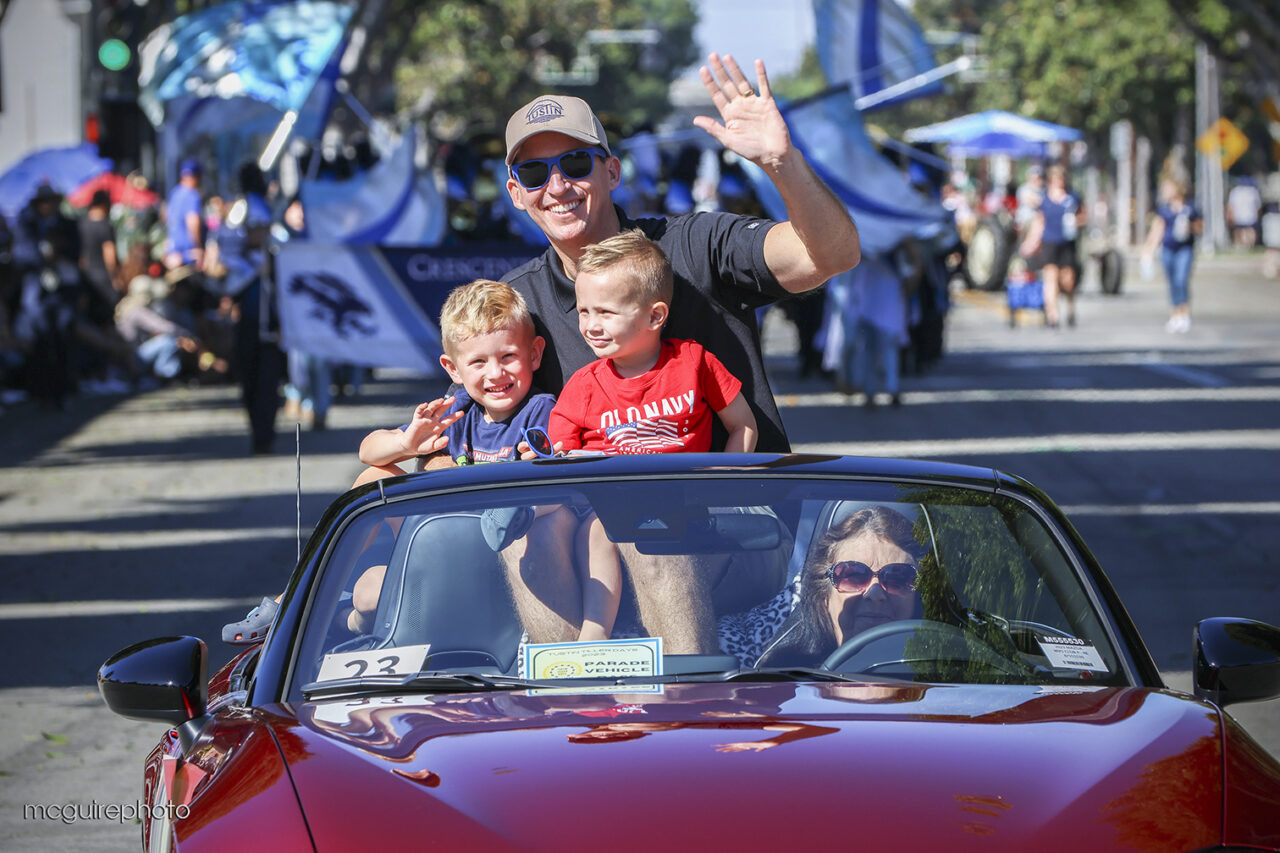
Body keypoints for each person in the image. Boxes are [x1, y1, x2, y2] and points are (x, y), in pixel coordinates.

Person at [494, 54, 857, 654]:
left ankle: (685, 735)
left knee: (647, 529)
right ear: (516, 194)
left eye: (575, 163)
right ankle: (565, 714)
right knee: (520, 531)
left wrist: (780, 163)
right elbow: (474, 421)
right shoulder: (518, 301)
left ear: (611, 171)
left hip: (739, 528)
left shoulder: (693, 247)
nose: (556, 186)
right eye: (534, 173)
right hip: (592, 545)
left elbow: (832, 256)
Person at [223, 279, 558, 642]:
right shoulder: (455, 410)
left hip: (502, 561)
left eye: (508, 356)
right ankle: (296, 601)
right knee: (373, 517)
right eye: (478, 362)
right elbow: (367, 450)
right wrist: (407, 442)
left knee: (375, 591)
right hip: (440, 551)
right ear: (454, 369)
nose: (496, 373)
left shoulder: (540, 411)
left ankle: (339, 622)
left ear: (534, 354)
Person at [544, 229, 758, 641]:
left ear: (655, 316)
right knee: (602, 529)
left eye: (605, 312)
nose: (590, 325)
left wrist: (727, 480)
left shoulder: (693, 362)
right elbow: (559, 461)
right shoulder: (583, 385)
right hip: (607, 508)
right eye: (584, 311)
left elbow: (742, 424)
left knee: (646, 526)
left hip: (686, 505)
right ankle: (594, 637)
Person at [756, 505, 924, 668]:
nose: (874, 593)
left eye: (897, 577)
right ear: (824, 597)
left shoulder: (948, 680)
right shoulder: (786, 686)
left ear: (917, 597)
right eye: (853, 575)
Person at [1019, 164, 1083, 328]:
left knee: (1067, 279)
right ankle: (1052, 315)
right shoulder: (1045, 199)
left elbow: (1084, 215)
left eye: (1061, 178)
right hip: (1049, 241)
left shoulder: (1072, 197)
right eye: (1055, 179)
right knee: (1050, 277)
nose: (1058, 181)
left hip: (1067, 241)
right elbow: (1039, 221)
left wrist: (1077, 222)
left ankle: (1070, 307)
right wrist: (1030, 242)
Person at [1141, 176, 1202, 333]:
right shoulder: (1164, 210)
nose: (1165, 192)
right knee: (1172, 283)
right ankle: (1175, 315)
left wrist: (1189, 227)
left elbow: (1200, 226)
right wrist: (1149, 251)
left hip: (1184, 249)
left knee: (1181, 280)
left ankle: (1185, 314)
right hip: (1168, 249)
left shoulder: (1190, 208)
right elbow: (1158, 230)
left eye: (1167, 188)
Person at [164, 159, 205, 271]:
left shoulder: (174, 193)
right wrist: (198, 247)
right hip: (187, 255)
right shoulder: (192, 195)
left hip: (172, 252)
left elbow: (166, 218)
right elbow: (192, 221)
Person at [1226, 177, 1261, 249]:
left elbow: (1230, 206)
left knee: (1239, 232)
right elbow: (1258, 206)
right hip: (1250, 216)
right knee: (1249, 231)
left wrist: (1230, 216)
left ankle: (1241, 247)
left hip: (1239, 216)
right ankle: (1250, 247)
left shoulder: (1234, 191)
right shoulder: (1253, 191)